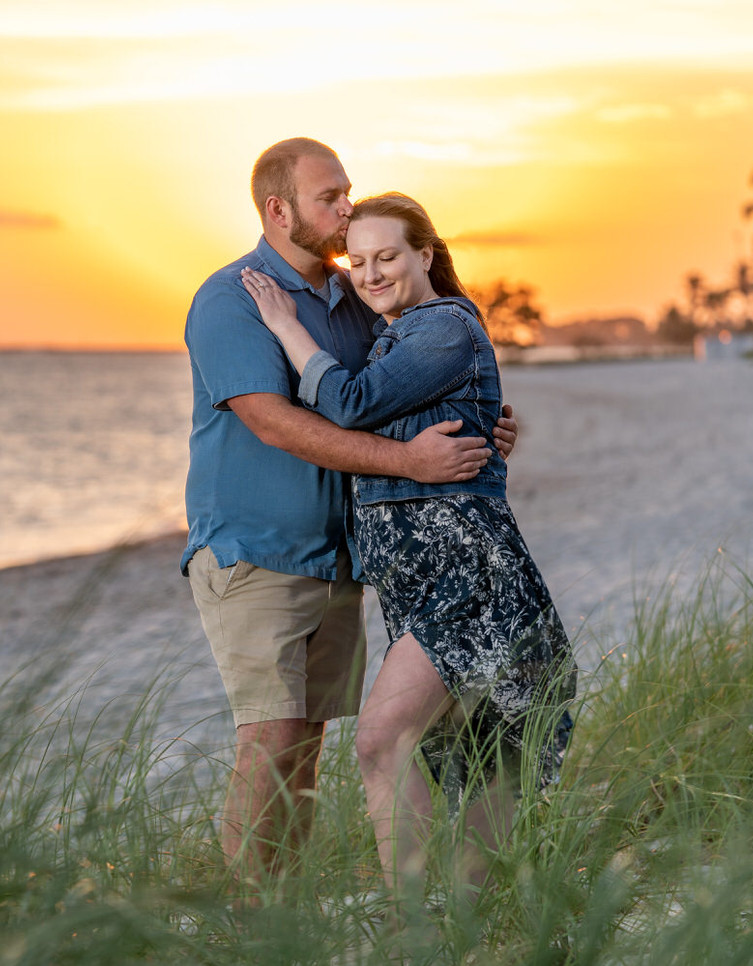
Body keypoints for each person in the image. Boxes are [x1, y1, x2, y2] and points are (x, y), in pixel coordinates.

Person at [183, 138, 519, 895]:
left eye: (347, 191)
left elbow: (404, 389)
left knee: (304, 747)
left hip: (340, 559)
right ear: (279, 210)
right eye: (328, 197)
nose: (346, 208)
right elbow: (272, 420)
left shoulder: (349, 297)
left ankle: (287, 913)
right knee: (270, 741)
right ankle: (251, 922)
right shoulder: (232, 298)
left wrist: (486, 422)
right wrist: (409, 463)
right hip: (258, 553)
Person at [240, 192, 575, 916]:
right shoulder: (401, 334)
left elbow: (354, 405)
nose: (370, 272)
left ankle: (411, 926)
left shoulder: (446, 326)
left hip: (465, 571)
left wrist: (285, 327)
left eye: (387, 256)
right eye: (356, 261)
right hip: (418, 580)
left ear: (426, 253)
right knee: (477, 756)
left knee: (382, 738)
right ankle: (463, 926)